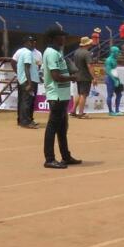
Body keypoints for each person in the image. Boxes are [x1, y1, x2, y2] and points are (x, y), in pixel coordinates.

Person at [41, 27, 81, 169]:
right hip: (56, 95)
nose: (64, 39)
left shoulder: (57, 52)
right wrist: (72, 77)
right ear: (53, 38)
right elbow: (56, 76)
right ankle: (49, 158)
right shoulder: (51, 53)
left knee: (62, 128)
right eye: (61, 36)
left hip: (62, 95)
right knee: (52, 127)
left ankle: (65, 156)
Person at [13, 37, 41, 128]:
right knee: (27, 101)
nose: (33, 44)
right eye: (30, 42)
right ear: (25, 43)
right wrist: (29, 83)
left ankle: (24, 120)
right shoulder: (27, 53)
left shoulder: (25, 52)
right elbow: (26, 68)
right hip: (29, 80)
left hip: (25, 80)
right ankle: (26, 121)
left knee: (25, 101)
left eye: (33, 42)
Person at [71, 37, 95, 118]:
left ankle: (73, 110)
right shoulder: (87, 53)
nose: (91, 44)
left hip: (77, 75)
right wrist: (94, 77)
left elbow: (74, 64)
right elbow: (90, 66)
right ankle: (80, 113)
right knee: (83, 95)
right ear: (87, 44)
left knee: (79, 93)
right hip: (85, 76)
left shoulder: (76, 52)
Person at [104, 45, 124, 116]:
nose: (118, 53)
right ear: (113, 52)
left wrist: (118, 80)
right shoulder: (108, 60)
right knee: (110, 95)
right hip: (110, 79)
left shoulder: (114, 59)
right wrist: (114, 80)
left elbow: (114, 71)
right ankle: (110, 111)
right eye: (117, 52)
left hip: (115, 78)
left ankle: (117, 110)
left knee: (119, 94)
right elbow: (108, 71)